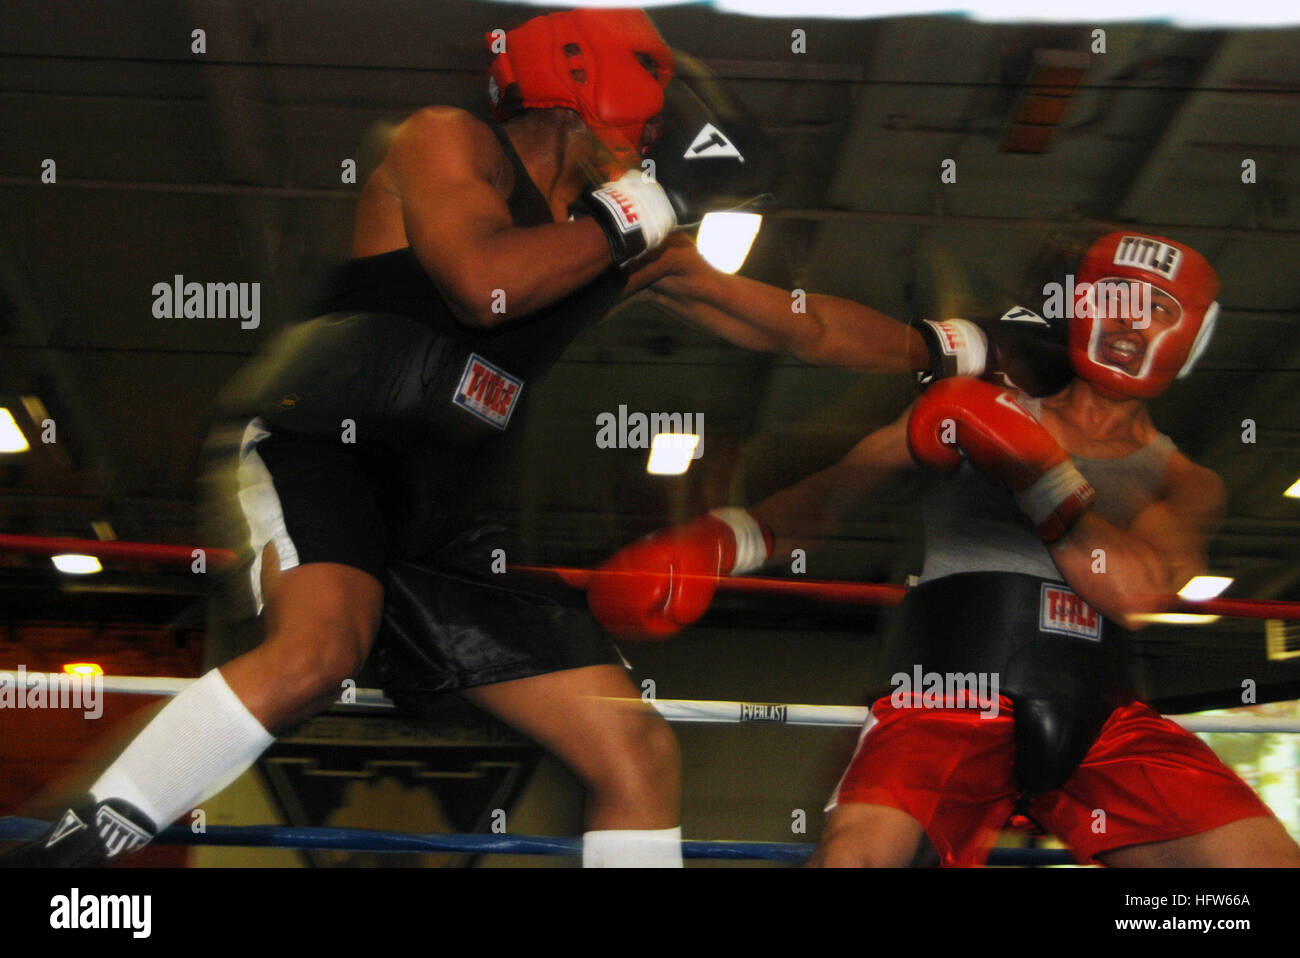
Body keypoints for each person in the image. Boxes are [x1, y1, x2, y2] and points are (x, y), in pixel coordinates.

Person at [0, 7, 956, 869]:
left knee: (634, 746)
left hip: (451, 516)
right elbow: (482, 283)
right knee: (316, 654)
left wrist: (947, 349)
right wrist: (651, 199)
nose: (653, 138)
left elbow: (800, 325)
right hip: (326, 446)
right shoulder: (447, 143)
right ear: (581, 98)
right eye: (645, 118)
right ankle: (70, 863)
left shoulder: (628, 243)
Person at [588, 231, 1300, 867]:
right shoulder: (981, 397)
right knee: (856, 859)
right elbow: (832, 494)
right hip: (943, 697)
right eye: (1114, 295)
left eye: (1159, 309)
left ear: (1194, 338)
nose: (1127, 319)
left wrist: (1036, 470)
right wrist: (723, 543)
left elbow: (1137, 594)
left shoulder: (1185, 479)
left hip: (1100, 714)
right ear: (1081, 304)